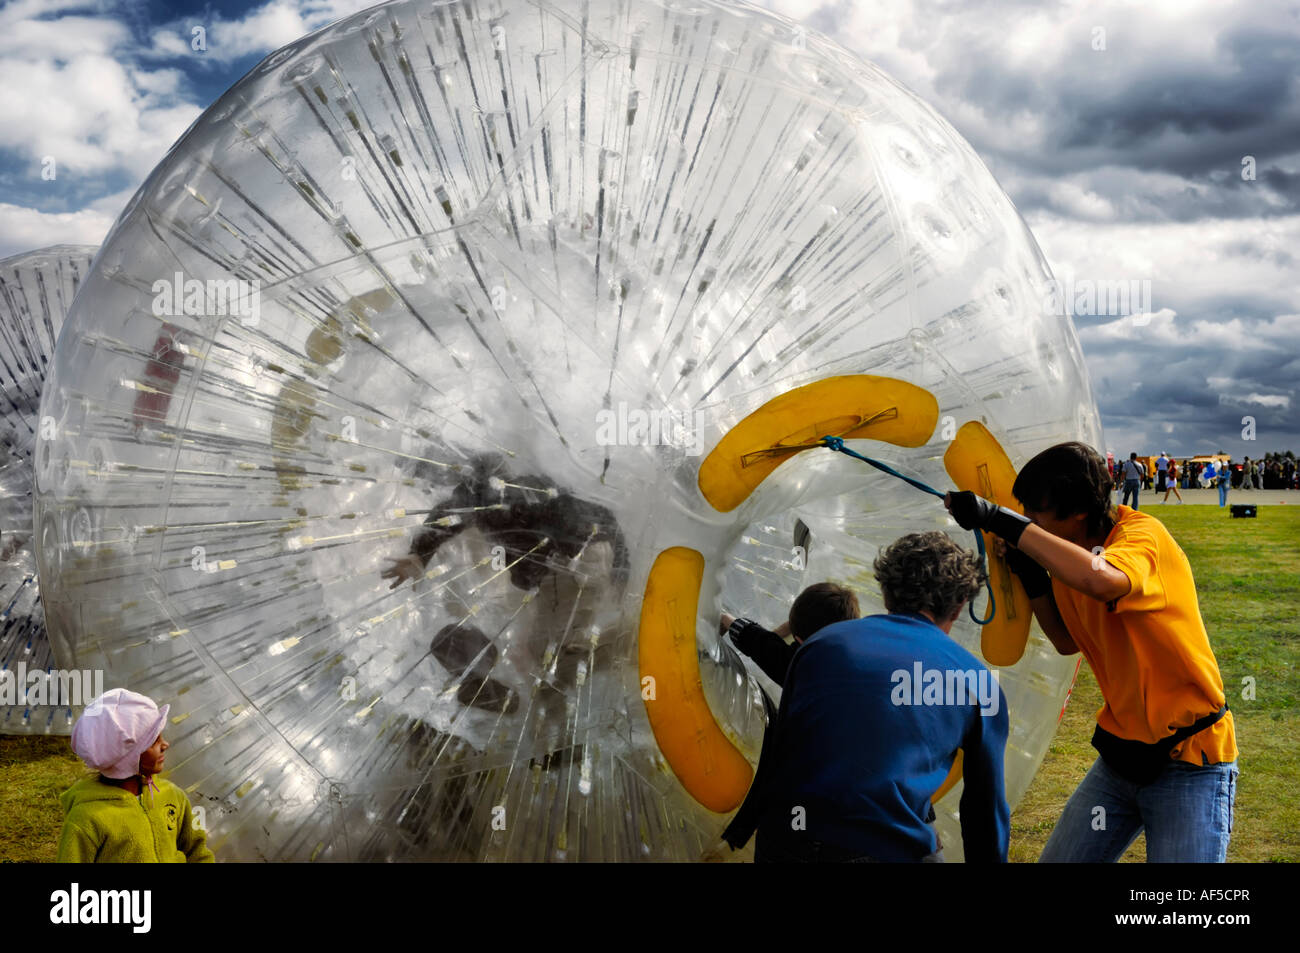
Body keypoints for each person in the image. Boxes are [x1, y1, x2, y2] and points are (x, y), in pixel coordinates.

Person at [945, 442, 1237, 863]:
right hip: (1122, 759)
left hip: (1189, 762)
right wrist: (1032, 574)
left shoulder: (1141, 538)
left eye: (1037, 512)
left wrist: (1001, 521)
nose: (1030, 520)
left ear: (1077, 511)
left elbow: (1102, 581)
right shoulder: (1073, 554)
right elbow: (1067, 641)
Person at [750, 532, 1009, 863]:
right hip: (884, 848)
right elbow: (984, 813)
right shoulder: (978, 683)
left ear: (886, 594)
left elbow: (789, 752)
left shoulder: (821, 644)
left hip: (786, 840)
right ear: (959, 607)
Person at [710, 582, 862, 857]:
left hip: (804, 815)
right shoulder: (865, 664)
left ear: (802, 639)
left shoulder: (810, 668)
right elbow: (771, 648)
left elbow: (768, 649)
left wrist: (730, 623)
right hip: (863, 816)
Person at [58, 689, 215, 863]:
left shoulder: (172, 796)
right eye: (153, 741)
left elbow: (197, 851)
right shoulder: (87, 819)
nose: (165, 745)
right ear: (127, 757)